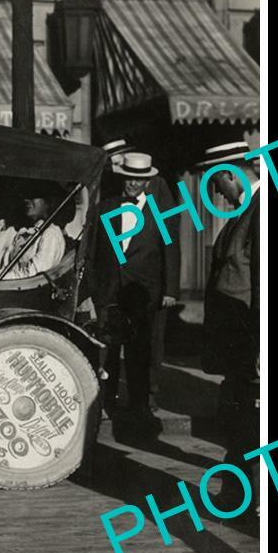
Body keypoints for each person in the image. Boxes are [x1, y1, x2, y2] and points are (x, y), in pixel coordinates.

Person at [198, 141, 260, 520]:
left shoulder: (261, 209)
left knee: (250, 420)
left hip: (250, 340)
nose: (216, 193)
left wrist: (260, 348)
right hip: (236, 344)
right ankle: (237, 493)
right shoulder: (244, 213)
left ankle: (250, 499)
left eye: (215, 183)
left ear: (229, 174)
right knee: (235, 416)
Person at [93, 151, 180, 420]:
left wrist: (170, 291)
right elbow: (95, 251)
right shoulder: (105, 208)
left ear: (147, 182)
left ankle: (140, 405)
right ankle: (106, 400)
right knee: (108, 347)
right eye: (129, 178)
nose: (133, 183)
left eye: (138, 180)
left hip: (143, 293)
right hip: (110, 290)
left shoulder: (159, 212)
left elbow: (171, 250)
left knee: (139, 349)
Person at [3, 187, 68, 279]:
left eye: (34, 195)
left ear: (48, 202)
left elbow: (34, 277)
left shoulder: (50, 235)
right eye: (26, 196)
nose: (26, 200)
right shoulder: (27, 231)